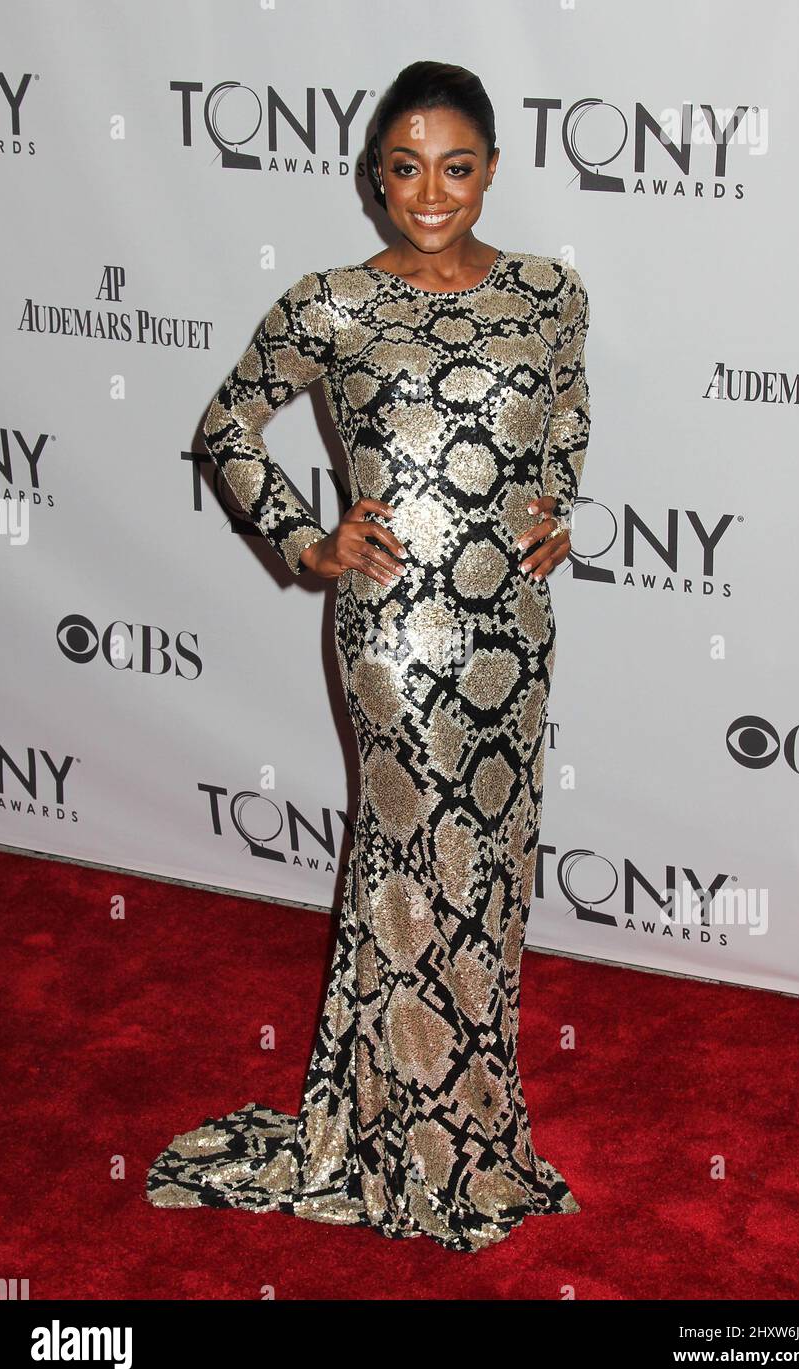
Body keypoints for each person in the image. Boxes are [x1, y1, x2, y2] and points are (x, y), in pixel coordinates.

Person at [146, 59, 591, 1253]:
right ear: (374, 179)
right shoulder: (330, 301)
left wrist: (556, 500)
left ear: (491, 170)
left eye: (455, 167)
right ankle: (410, 1143)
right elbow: (226, 426)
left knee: (487, 874)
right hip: (393, 636)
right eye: (405, 168)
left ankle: (474, 1118)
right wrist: (306, 537)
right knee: (410, 866)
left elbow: (566, 407)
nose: (429, 192)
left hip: (514, 636)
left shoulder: (551, 293)